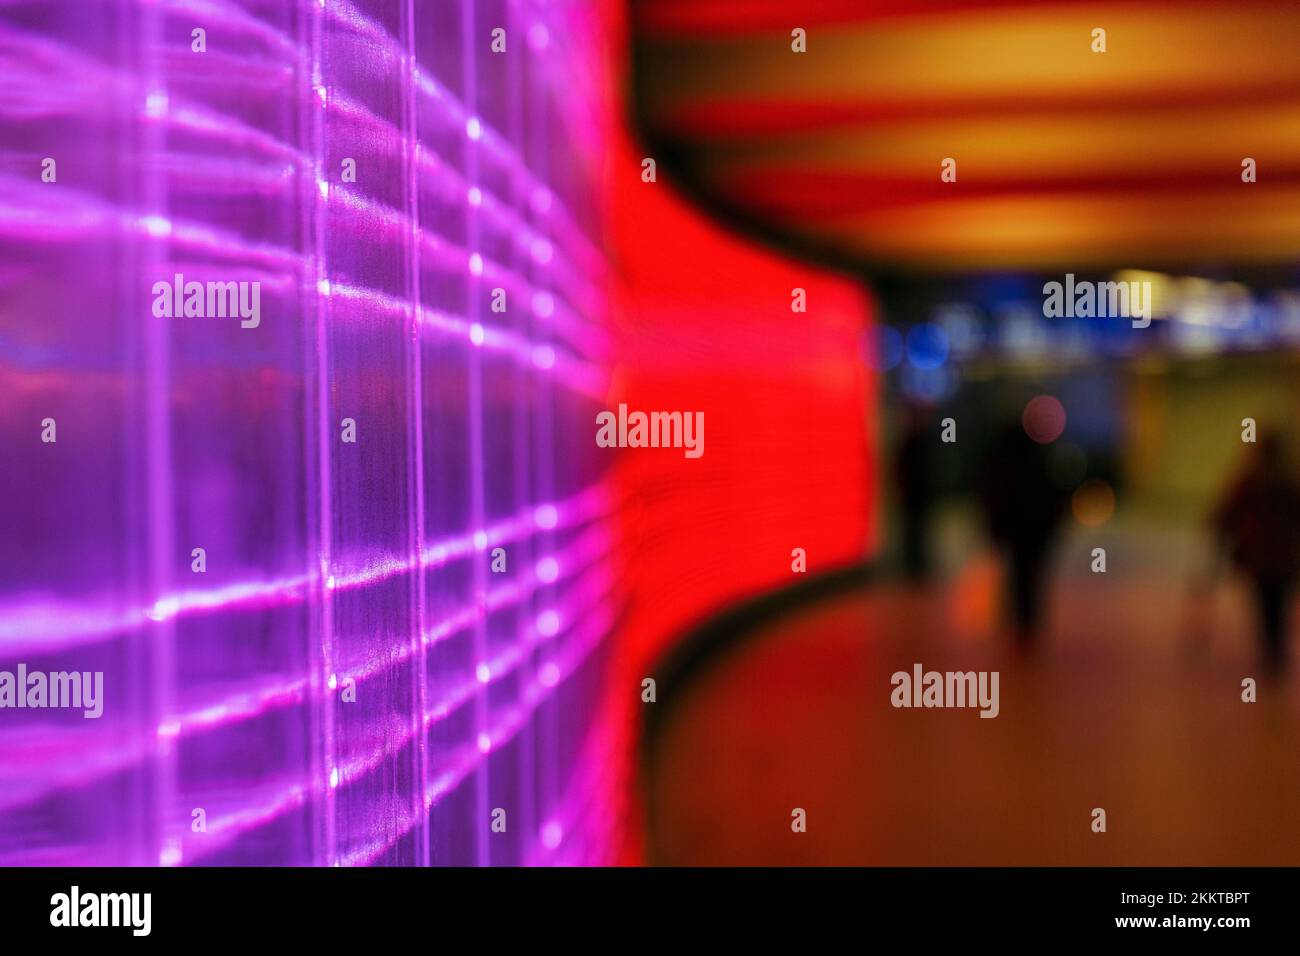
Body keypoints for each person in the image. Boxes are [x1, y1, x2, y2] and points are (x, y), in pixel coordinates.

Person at [1210, 432, 1300, 673]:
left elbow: (1224, 515)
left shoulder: (1255, 481)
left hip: (1268, 559)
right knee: (1273, 605)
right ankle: (1274, 649)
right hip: (1273, 559)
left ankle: (1273, 649)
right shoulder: (1274, 481)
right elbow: (1226, 514)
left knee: (1270, 605)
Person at [979, 423, 1068, 645]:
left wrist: (995, 529)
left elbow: (993, 499)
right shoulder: (1039, 464)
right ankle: (1027, 618)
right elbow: (1054, 499)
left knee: (1018, 574)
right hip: (1036, 533)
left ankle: (1020, 618)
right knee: (1031, 576)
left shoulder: (1002, 467)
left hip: (1017, 532)